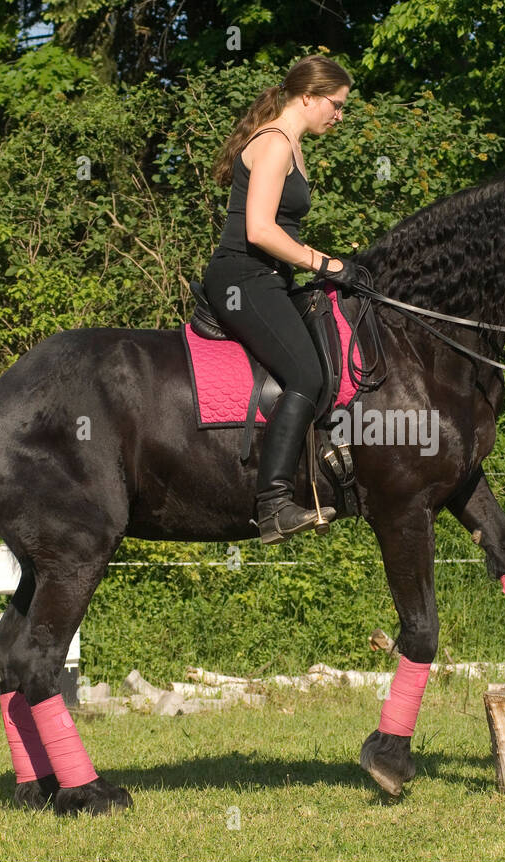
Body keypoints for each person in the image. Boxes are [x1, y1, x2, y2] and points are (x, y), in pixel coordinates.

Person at [203, 54, 359, 544]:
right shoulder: (273, 144)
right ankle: (272, 504)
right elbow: (260, 229)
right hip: (242, 277)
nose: (339, 116)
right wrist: (324, 263)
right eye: (336, 105)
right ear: (308, 96)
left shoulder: (294, 145)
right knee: (307, 373)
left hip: (270, 278)